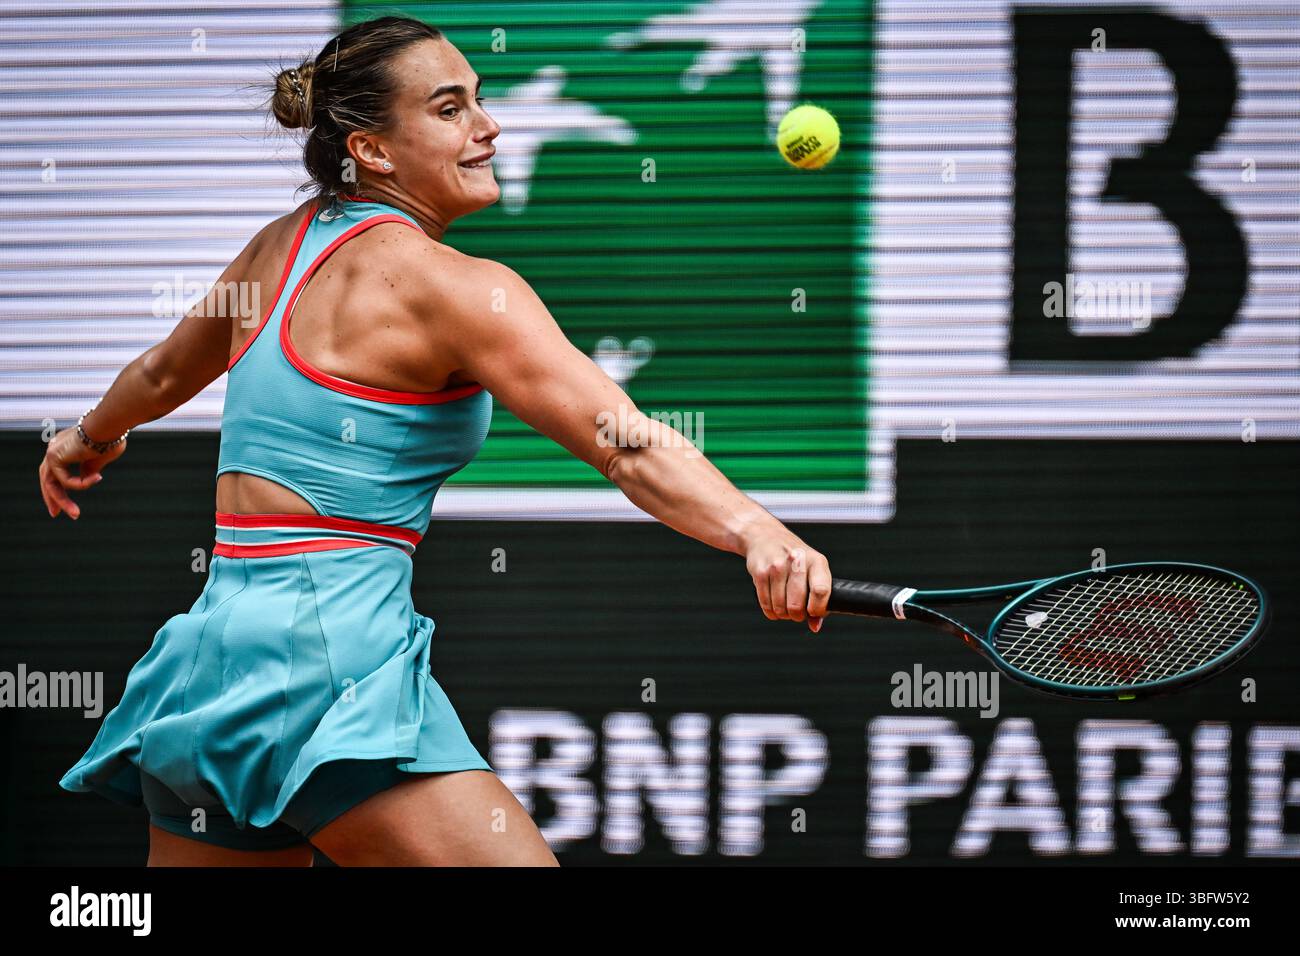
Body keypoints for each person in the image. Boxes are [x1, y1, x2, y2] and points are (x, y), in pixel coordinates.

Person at [40, 16, 833, 867]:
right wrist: (753, 527)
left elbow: (162, 376)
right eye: (452, 110)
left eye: (481, 102)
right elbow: (624, 442)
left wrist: (84, 439)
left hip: (213, 664)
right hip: (329, 670)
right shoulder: (459, 291)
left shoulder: (272, 250)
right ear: (374, 150)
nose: (489, 128)